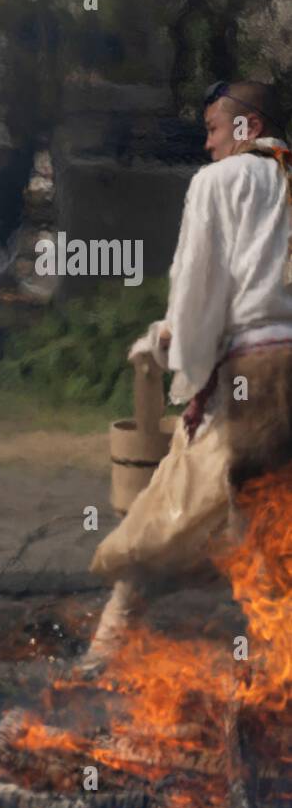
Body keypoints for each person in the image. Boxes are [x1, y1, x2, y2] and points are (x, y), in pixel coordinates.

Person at [79, 80, 292, 673]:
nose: (207, 144)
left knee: (180, 511)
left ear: (247, 125)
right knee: (257, 522)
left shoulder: (222, 182)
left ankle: (107, 653)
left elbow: (199, 288)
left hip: (262, 375)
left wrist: (175, 348)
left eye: (214, 129)